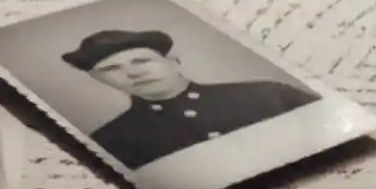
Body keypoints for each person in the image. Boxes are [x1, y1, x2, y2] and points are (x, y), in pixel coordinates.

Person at [62, 29, 320, 169]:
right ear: (100, 80)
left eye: (142, 60)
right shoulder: (109, 142)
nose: (133, 72)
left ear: (174, 62)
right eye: (111, 69)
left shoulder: (270, 93)